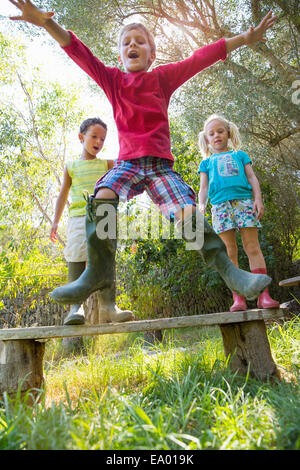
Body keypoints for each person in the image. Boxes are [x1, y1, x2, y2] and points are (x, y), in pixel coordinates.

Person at [9, 1, 278, 318]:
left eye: (140, 42)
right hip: (127, 165)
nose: (132, 45)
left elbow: (200, 57)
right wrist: (45, 24)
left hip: (160, 168)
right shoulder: (113, 80)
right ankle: (98, 271)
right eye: (126, 43)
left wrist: (243, 39)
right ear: (120, 56)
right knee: (103, 195)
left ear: (152, 54)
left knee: (187, 212)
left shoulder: (162, 78)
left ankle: (229, 271)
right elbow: (78, 51)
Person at [50, 117, 133, 325]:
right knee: (76, 257)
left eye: (103, 139)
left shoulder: (107, 164)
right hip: (79, 216)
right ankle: (75, 308)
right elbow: (62, 195)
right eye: (94, 136)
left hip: (104, 216)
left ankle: (108, 307)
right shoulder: (71, 166)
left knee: (105, 258)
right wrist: (55, 221)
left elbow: (129, 164)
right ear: (81, 137)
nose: (99, 142)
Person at [198, 114, 279, 311]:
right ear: (207, 139)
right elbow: (204, 188)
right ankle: (239, 298)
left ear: (228, 133)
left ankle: (263, 295)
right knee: (229, 251)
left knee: (252, 247)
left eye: (220, 131)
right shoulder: (206, 163)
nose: (216, 135)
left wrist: (258, 199)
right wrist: (201, 206)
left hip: (244, 203)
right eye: (212, 133)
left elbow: (252, 178)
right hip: (220, 207)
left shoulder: (240, 156)